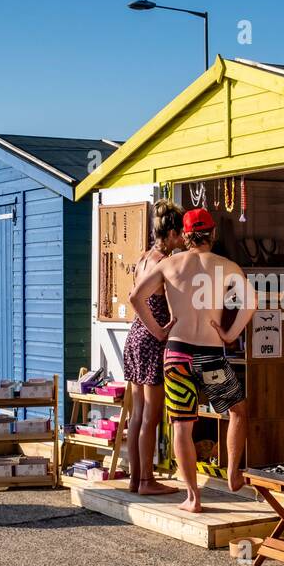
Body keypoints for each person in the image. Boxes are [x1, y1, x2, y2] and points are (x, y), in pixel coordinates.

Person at [130, 207, 256, 513]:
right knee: (237, 412)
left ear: (185, 236)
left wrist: (159, 330)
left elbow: (135, 297)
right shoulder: (227, 266)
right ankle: (233, 473)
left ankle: (192, 497)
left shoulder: (170, 264)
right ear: (213, 233)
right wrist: (229, 333)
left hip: (177, 355)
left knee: (181, 426)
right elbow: (251, 302)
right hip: (210, 356)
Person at [122, 199, 184, 496]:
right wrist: (160, 331)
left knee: (137, 414)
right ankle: (147, 480)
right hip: (149, 340)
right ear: (171, 233)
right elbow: (136, 298)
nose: (183, 238)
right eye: (180, 233)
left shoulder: (144, 257)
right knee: (151, 415)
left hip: (134, 337)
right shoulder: (163, 262)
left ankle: (136, 479)